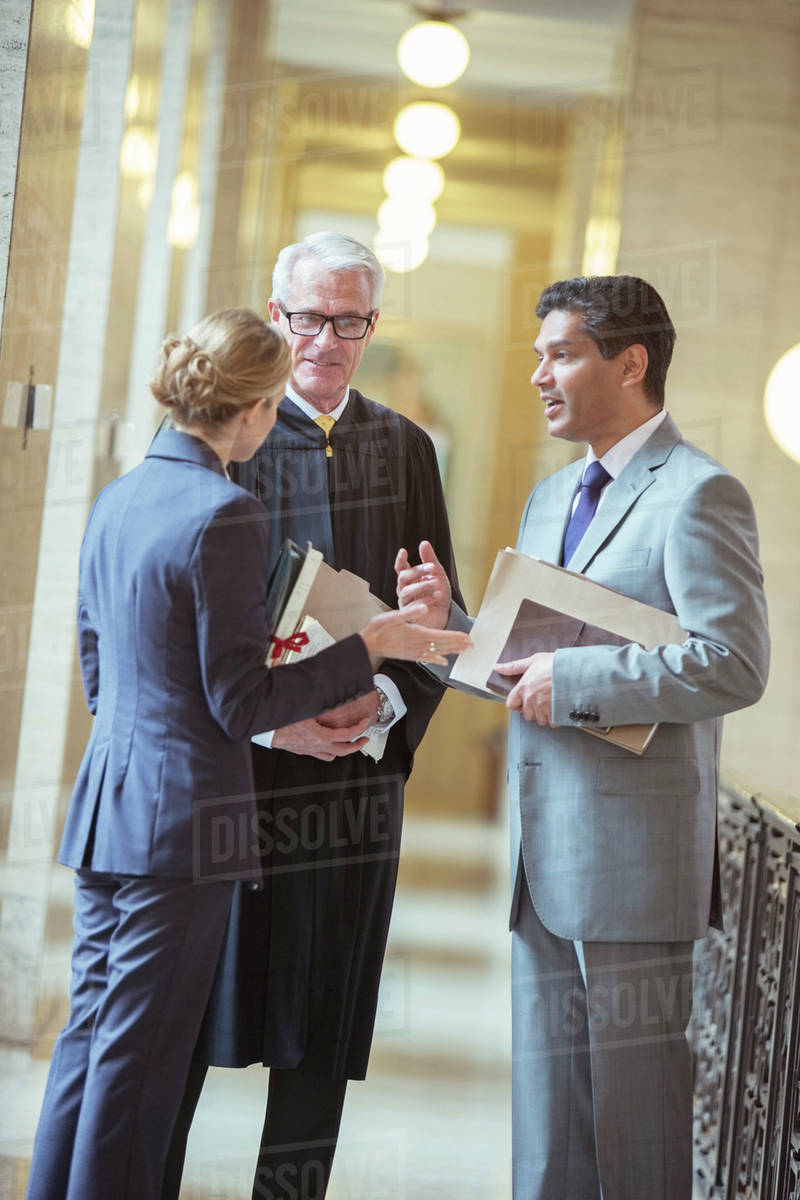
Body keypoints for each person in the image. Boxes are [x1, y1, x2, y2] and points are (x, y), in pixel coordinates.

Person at [24, 307, 468, 1200]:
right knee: (142, 1064)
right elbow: (242, 698)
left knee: (92, 1041)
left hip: (111, 805)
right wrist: (370, 647)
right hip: (186, 826)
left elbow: (98, 665)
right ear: (259, 409)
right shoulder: (225, 512)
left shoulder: (123, 494)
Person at [395, 275, 770, 1200]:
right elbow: (529, 668)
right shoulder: (551, 494)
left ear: (631, 362)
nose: (539, 376)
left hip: (634, 869)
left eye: (561, 353)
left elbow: (734, 663)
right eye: (537, 356)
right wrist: (454, 630)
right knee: (549, 1145)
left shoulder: (700, 493)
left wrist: (580, 683)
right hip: (541, 864)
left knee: (636, 1144)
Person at [164, 234, 463, 1200]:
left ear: (373, 327)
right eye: (307, 318)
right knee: (195, 1014)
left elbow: (435, 618)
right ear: (275, 312)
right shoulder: (229, 440)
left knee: (321, 1024)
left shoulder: (407, 448)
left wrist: (385, 702)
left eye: (349, 322)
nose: (326, 341)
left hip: (353, 782)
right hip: (239, 778)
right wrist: (267, 721)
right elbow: (179, 625)